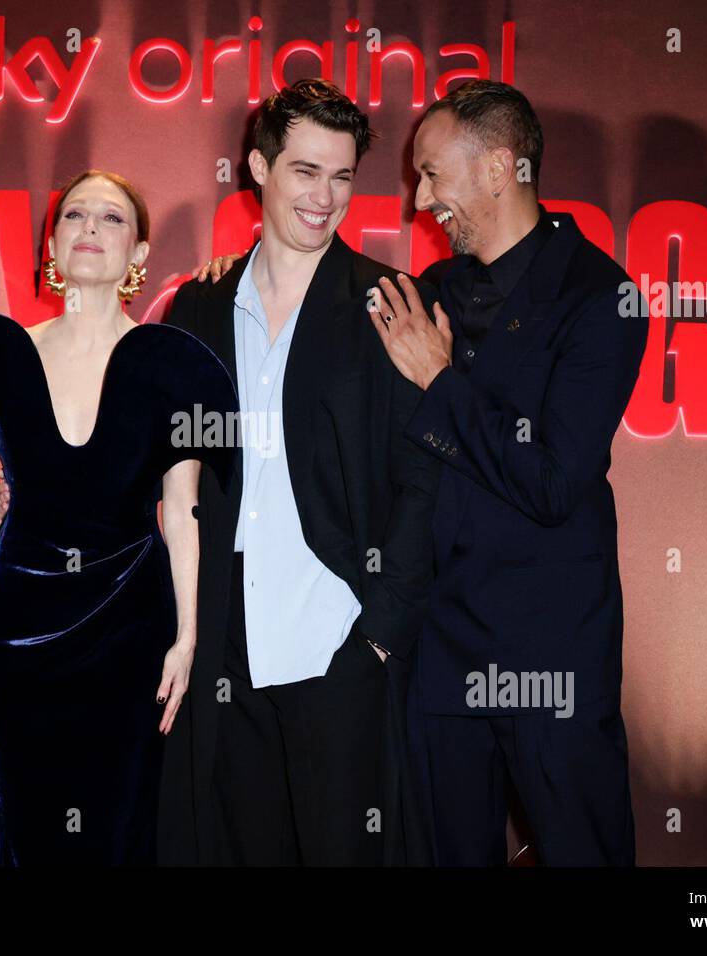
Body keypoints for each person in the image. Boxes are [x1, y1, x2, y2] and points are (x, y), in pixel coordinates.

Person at [150, 78, 443, 866]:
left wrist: (380, 636)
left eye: (342, 176)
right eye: (305, 172)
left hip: (338, 640)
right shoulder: (200, 307)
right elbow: (177, 474)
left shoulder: (387, 302)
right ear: (258, 167)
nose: (325, 198)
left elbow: (429, 481)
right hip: (226, 648)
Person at [0, 170, 237, 866]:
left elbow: (182, 511)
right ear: (52, 242)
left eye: (111, 219)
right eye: (74, 216)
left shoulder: (169, 363)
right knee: (29, 826)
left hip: (132, 626)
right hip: (21, 631)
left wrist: (187, 638)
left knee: (122, 827)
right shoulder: (1, 354)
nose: (89, 229)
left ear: (140, 254)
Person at [370, 79, 647, 865]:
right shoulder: (430, 296)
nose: (420, 199)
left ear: (497, 169)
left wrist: (440, 384)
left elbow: (555, 482)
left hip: (551, 653)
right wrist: (238, 272)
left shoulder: (603, 298)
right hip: (440, 652)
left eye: (430, 174)